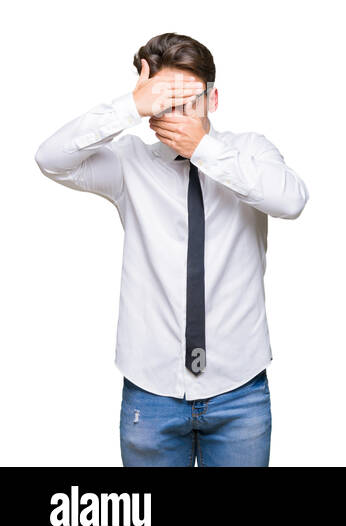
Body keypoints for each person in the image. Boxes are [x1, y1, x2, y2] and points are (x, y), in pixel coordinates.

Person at [34, 32, 309, 466]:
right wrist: (128, 105)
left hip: (240, 392)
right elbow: (50, 158)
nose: (175, 111)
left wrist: (204, 149)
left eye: (188, 98)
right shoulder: (129, 163)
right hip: (151, 391)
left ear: (213, 99)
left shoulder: (250, 152)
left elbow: (290, 200)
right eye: (164, 99)